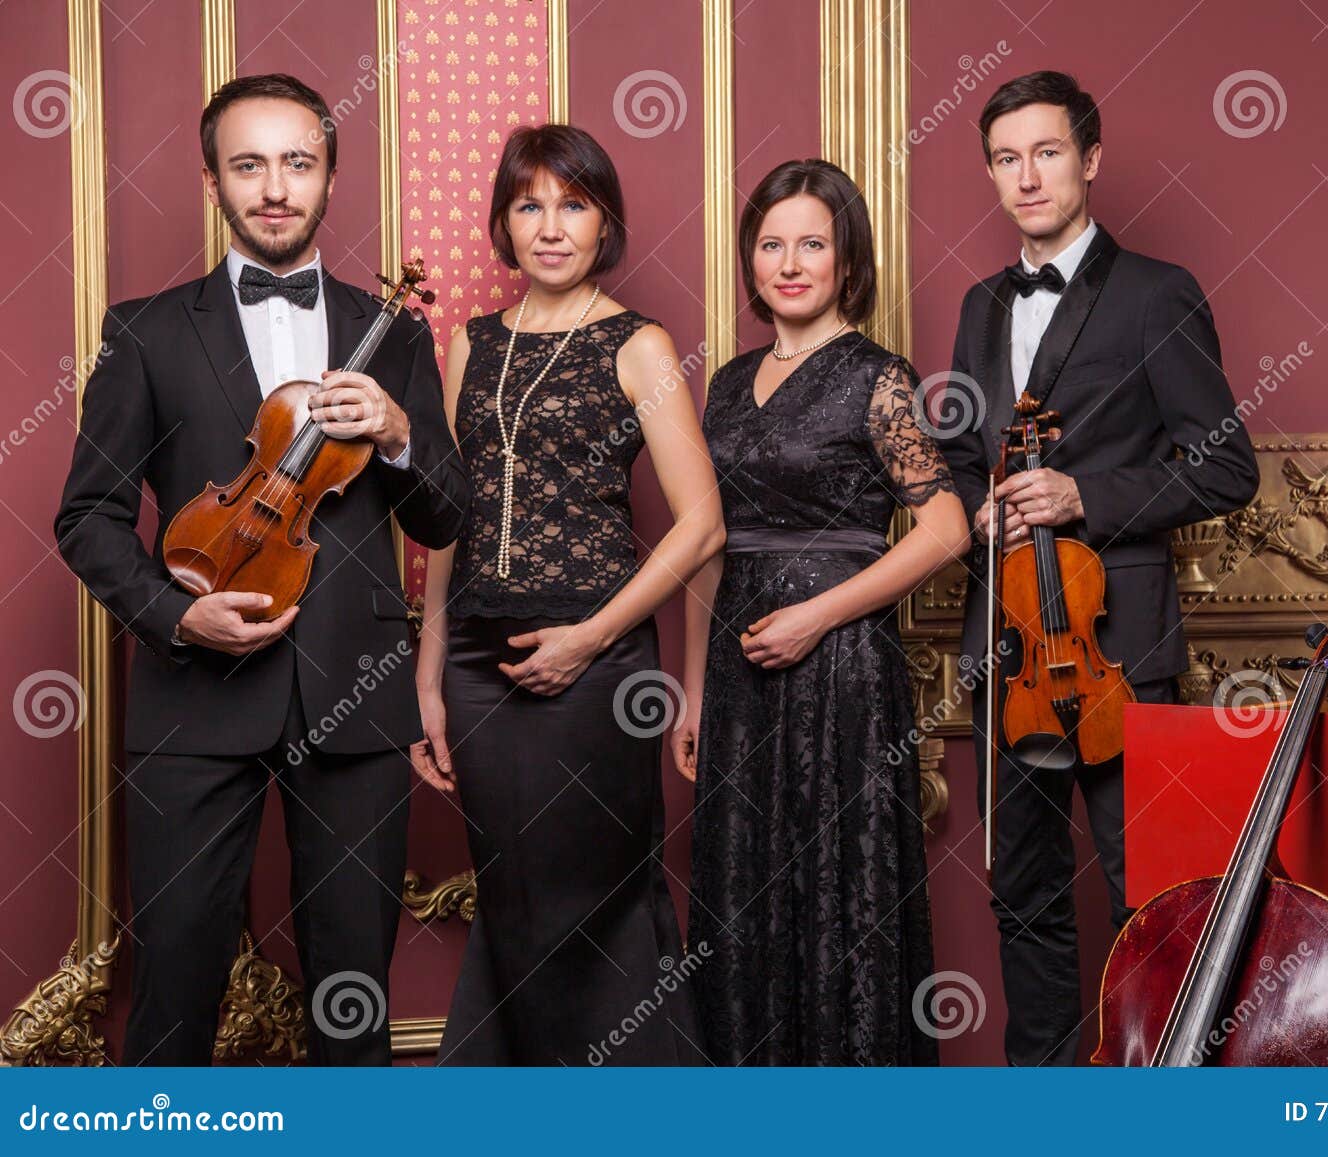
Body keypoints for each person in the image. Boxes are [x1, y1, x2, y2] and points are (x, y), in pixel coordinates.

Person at [54, 73, 468, 1065]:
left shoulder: (394, 332)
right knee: (175, 987)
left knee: (351, 999)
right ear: (213, 182)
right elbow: (89, 515)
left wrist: (404, 433)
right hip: (193, 696)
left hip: (355, 698)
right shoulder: (143, 330)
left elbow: (446, 513)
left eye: (297, 162)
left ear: (329, 178)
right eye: (249, 165)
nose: (274, 186)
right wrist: (171, 615)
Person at [940, 71, 1260, 1065]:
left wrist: (1087, 494)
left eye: (1044, 152)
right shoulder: (981, 302)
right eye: (1005, 157)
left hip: (1117, 644)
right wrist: (971, 504)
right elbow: (960, 456)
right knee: (1024, 893)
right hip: (1010, 642)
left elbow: (1225, 464)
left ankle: (1158, 1095)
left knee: (1146, 888)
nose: (1025, 175)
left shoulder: (1155, 290)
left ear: (1088, 159)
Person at [411, 124, 722, 1065]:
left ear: (604, 222)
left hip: (596, 666)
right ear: (505, 224)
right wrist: (427, 677)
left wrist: (589, 639)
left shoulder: (640, 343)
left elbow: (702, 523)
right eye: (529, 205)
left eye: (574, 204)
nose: (551, 227)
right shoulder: (468, 343)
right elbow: (445, 521)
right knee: (511, 894)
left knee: (596, 896)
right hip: (474, 664)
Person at [674, 158, 971, 1065]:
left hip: (842, 672)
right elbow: (707, 541)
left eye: (812, 243)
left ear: (848, 260)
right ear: (750, 259)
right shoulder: (725, 383)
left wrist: (818, 616)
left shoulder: (879, 376)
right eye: (771, 244)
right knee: (743, 885)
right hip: (735, 670)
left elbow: (948, 527)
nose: (789, 262)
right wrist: (691, 688)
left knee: (840, 884)